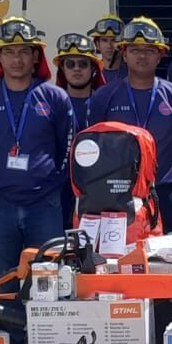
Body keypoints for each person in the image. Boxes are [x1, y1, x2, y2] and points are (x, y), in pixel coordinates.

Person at [0, 17, 73, 281]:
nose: (17, 59)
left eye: (24, 51)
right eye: (9, 52)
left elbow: (67, 147)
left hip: (44, 204)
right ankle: (2, 325)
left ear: (36, 57)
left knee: (48, 281)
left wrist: (48, 183)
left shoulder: (55, 97)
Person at [86, 17, 172, 232]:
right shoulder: (104, 96)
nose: (142, 55)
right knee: (120, 260)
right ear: (124, 54)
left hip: (166, 193)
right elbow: (94, 149)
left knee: (168, 260)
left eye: (149, 50)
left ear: (160, 55)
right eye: (135, 50)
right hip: (117, 194)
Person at [52, 32, 106, 224]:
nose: (77, 69)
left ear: (93, 68)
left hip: (98, 186)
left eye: (83, 64)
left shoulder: (105, 101)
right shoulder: (49, 102)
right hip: (58, 187)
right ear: (62, 69)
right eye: (70, 64)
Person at [89, 14, 128, 82]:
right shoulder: (90, 73)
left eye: (114, 40)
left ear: (123, 45)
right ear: (97, 45)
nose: (109, 45)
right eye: (104, 40)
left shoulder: (134, 72)